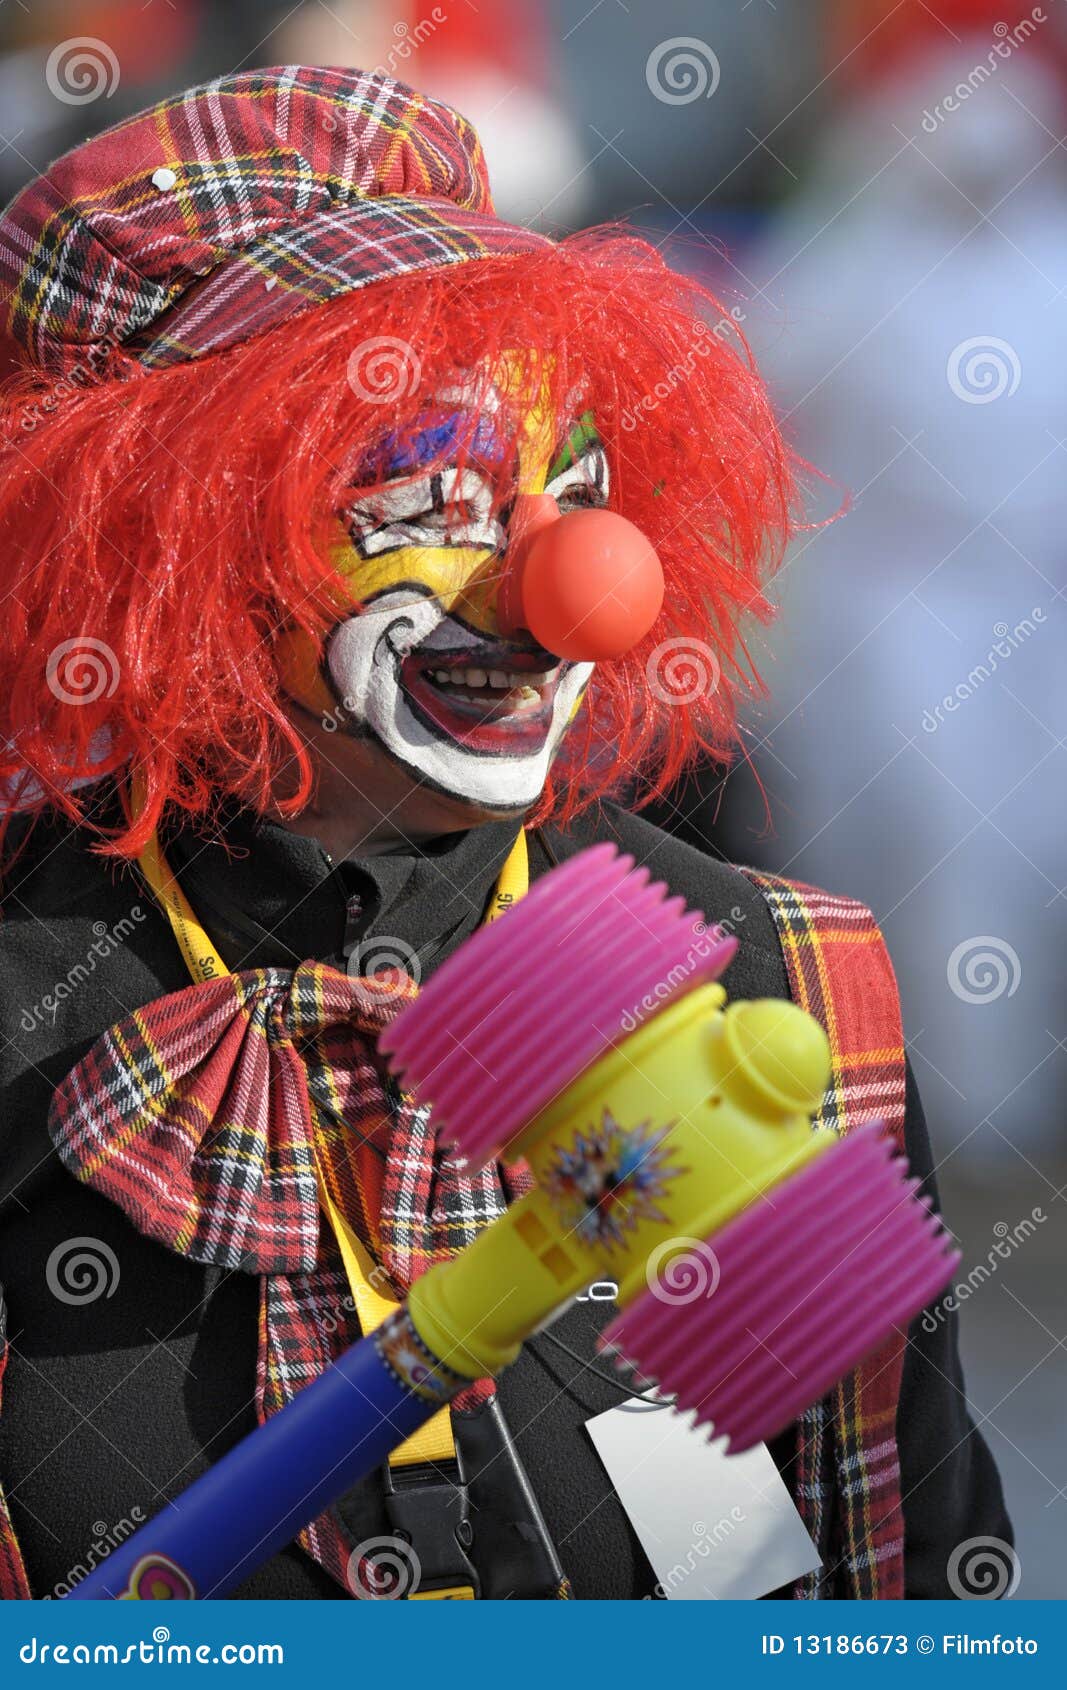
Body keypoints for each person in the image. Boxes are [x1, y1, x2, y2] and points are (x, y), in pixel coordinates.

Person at [0, 66, 1008, 1601]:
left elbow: (898, 1596)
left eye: (578, 483)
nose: (578, 582)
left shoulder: (764, 985)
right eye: (435, 498)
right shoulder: (29, 992)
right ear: (175, 536)